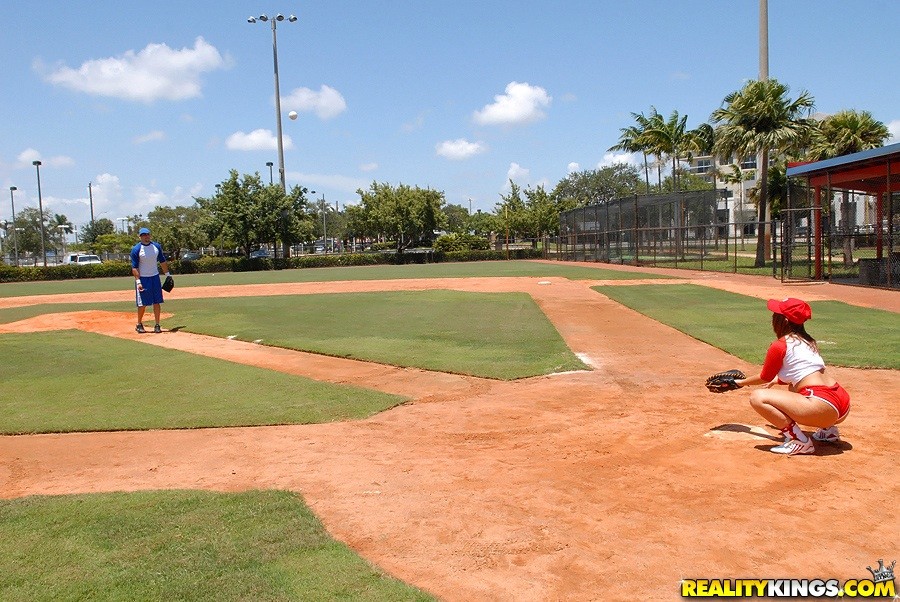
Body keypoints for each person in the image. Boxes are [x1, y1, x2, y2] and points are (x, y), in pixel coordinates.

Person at [735, 297, 850, 456]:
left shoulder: (780, 345)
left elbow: (764, 377)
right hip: (841, 402)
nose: (773, 317)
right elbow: (802, 372)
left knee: (757, 397)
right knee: (793, 387)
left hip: (823, 406)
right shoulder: (808, 341)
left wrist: (739, 383)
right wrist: (777, 381)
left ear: (785, 320)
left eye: (777, 314)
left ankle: (799, 441)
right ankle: (828, 431)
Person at [130, 227, 172, 334]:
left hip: (155, 277)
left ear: (150, 235)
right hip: (143, 279)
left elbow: (162, 261)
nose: (146, 237)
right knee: (142, 304)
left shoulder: (156, 247)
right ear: (140, 237)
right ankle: (139, 324)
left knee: (157, 302)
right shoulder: (136, 249)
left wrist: (168, 275)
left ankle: (157, 325)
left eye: (147, 234)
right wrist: (138, 281)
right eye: (143, 235)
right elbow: (134, 267)